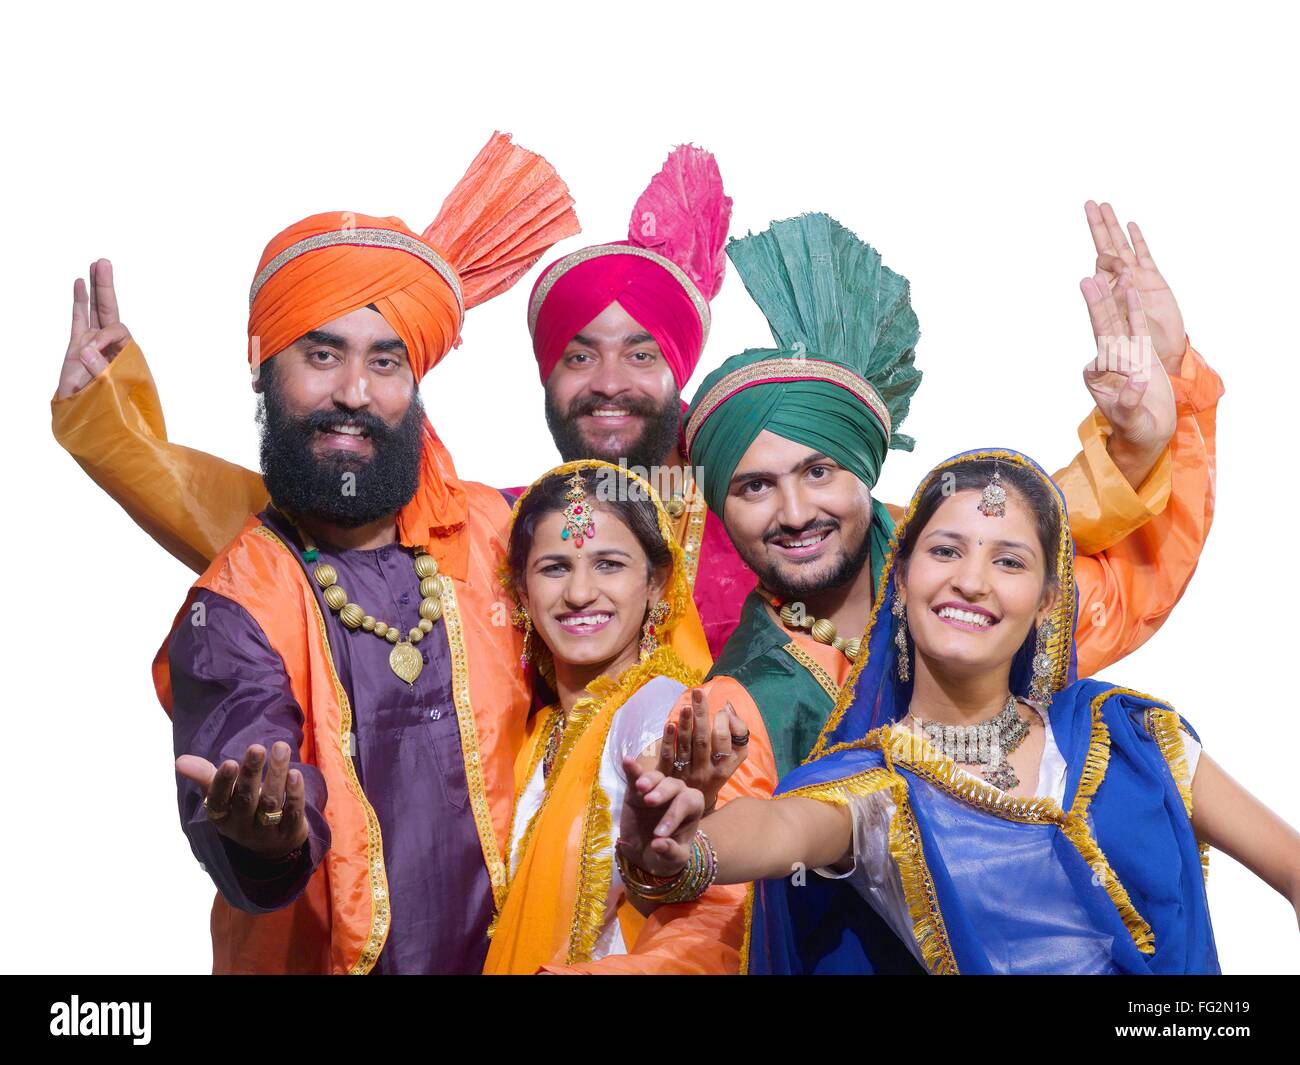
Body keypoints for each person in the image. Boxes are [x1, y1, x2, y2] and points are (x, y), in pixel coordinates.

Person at [619, 450, 1300, 974]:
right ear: (904, 574)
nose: (971, 579)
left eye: (1009, 560)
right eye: (946, 551)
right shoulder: (875, 788)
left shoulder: (1127, 733)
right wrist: (677, 848)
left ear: (1045, 599)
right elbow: (778, 827)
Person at [157, 133, 580, 973]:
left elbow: (627, 564)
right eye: (323, 355)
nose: (355, 391)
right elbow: (246, 752)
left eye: (384, 361)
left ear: (414, 383)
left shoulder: (505, 531)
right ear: (263, 371)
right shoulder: (233, 604)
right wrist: (269, 835)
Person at [681, 208, 1220, 780]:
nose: (794, 513)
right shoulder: (739, 709)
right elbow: (725, 862)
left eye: (819, 472)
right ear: (720, 506)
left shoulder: (964, 578)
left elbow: (1124, 589)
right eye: (756, 487)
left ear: (865, 470)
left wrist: (1165, 386)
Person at [481, 461, 773, 973]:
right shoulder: (536, 732)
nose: (578, 593)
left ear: (657, 583)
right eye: (554, 568)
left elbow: (709, 921)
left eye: (609, 564)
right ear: (523, 594)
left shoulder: (662, 714)